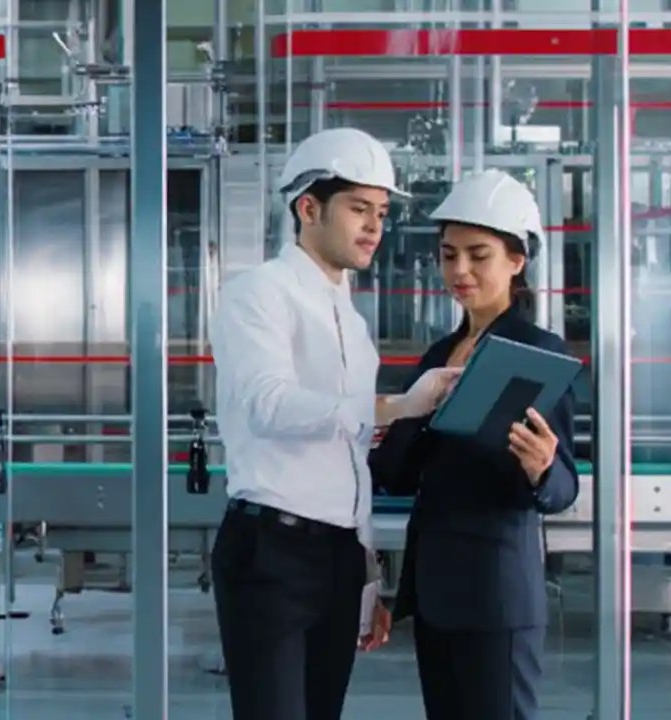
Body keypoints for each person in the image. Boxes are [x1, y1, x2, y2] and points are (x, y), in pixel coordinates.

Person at [208, 127, 462, 720]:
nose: (374, 226)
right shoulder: (257, 294)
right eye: (358, 209)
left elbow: (348, 462)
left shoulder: (350, 318)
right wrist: (394, 408)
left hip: (339, 556)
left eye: (380, 212)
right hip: (271, 550)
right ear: (308, 208)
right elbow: (267, 403)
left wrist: (368, 574)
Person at [369, 169, 580, 720]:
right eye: (448, 254)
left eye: (478, 255)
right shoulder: (439, 354)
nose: (459, 270)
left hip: (496, 596)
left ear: (516, 260)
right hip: (436, 593)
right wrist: (393, 414)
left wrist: (542, 470)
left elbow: (562, 486)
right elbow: (397, 471)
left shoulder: (537, 353)